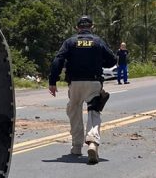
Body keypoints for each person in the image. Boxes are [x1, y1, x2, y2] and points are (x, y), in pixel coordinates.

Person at [48, 14, 116, 164]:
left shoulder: (70, 42)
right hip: (94, 82)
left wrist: (52, 81)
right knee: (94, 111)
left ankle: (76, 146)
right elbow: (112, 60)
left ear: (77, 28)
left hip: (75, 83)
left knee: (74, 110)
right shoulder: (98, 41)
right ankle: (92, 142)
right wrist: (98, 61)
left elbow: (58, 60)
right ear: (92, 27)